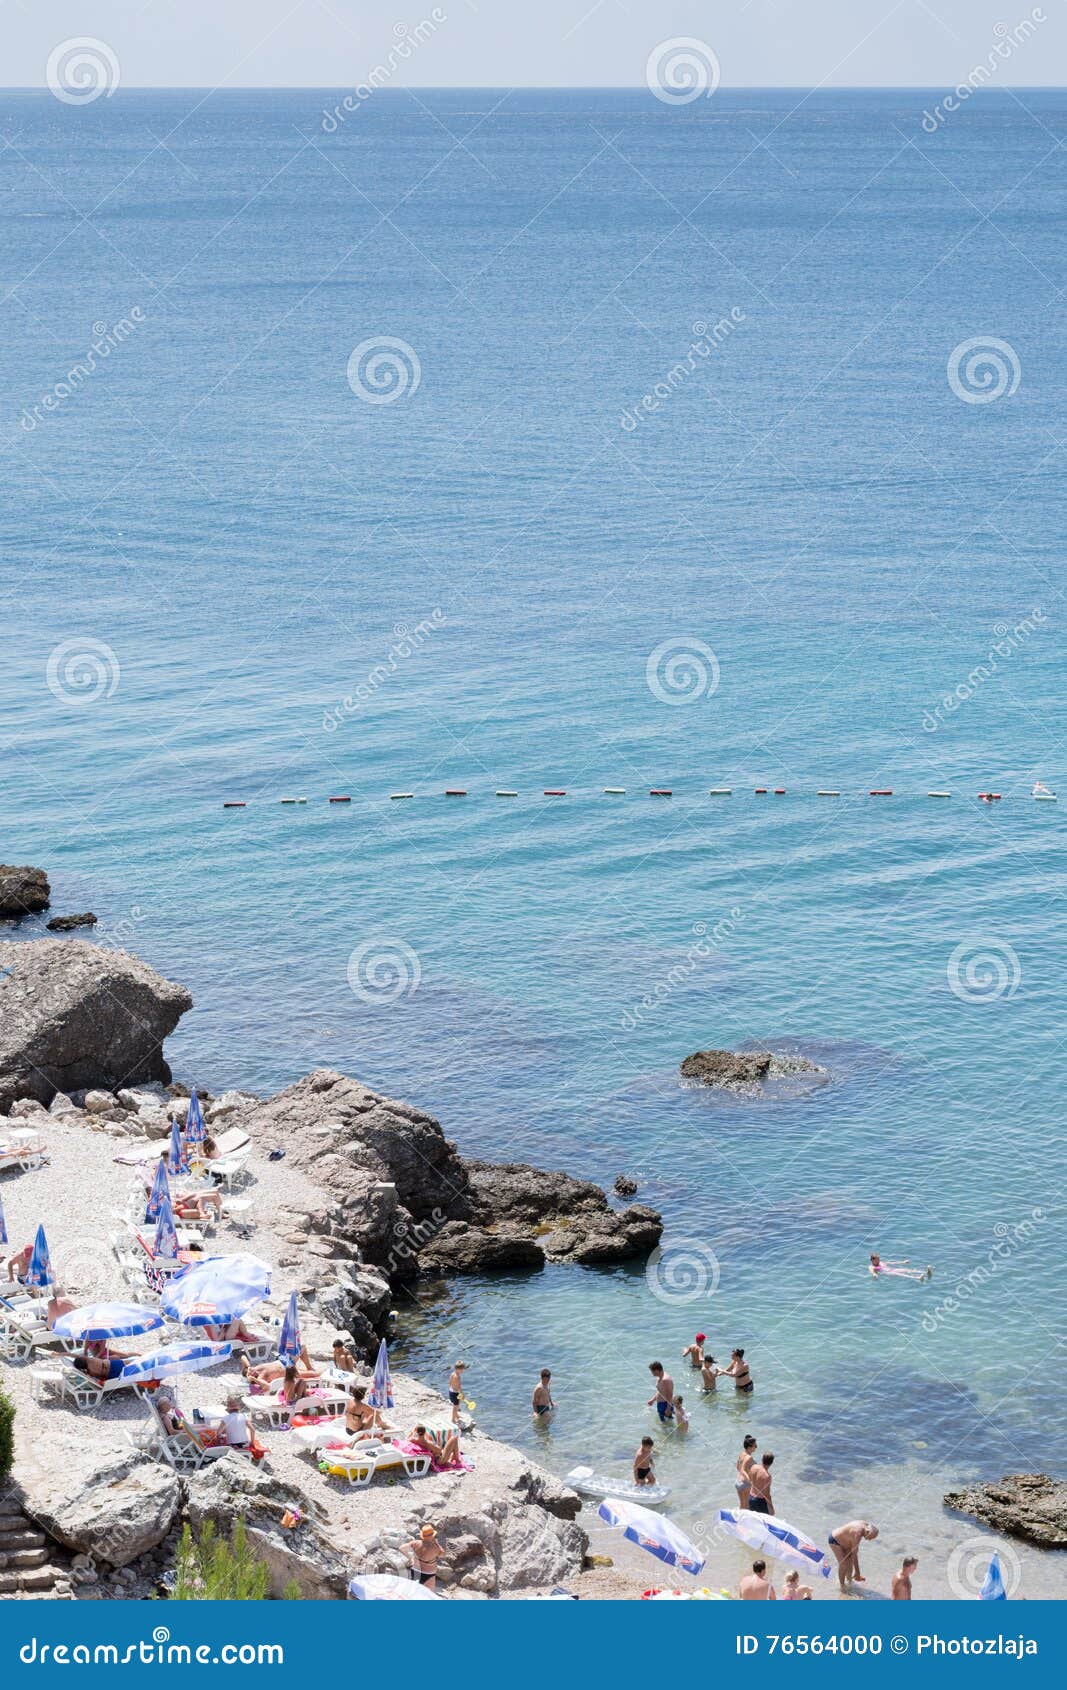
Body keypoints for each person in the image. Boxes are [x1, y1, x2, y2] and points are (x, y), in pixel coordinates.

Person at [828, 1520, 879, 1591]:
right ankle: (842, 1586)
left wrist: (857, 1573)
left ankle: (849, 1581)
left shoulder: (866, 1525)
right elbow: (855, 1555)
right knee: (843, 1564)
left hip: (847, 1541)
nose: (869, 1540)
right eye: (870, 1537)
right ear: (867, 1532)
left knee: (850, 1563)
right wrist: (858, 1573)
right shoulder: (857, 1534)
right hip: (835, 1540)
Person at [404, 1523, 445, 1590]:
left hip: (415, 1569)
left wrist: (410, 1559)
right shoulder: (435, 1547)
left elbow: (402, 1548)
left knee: (413, 1589)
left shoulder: (416, 1543)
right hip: (429, 1572)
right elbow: (442, 1555)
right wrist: (437, 1543)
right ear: (432, 1536)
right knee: (428, 1592)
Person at [735, 1435, 757, 1508]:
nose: (756, 1447)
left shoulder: (742, 1454)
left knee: (742, 1504)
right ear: (749, 1447)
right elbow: (742, 1469)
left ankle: (739, 1515)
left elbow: (738, 1467)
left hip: (738, 1482)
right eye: (755, 1445)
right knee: (747, 1505)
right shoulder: (749, 1457)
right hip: (745, 1483)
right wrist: (749, 1480)